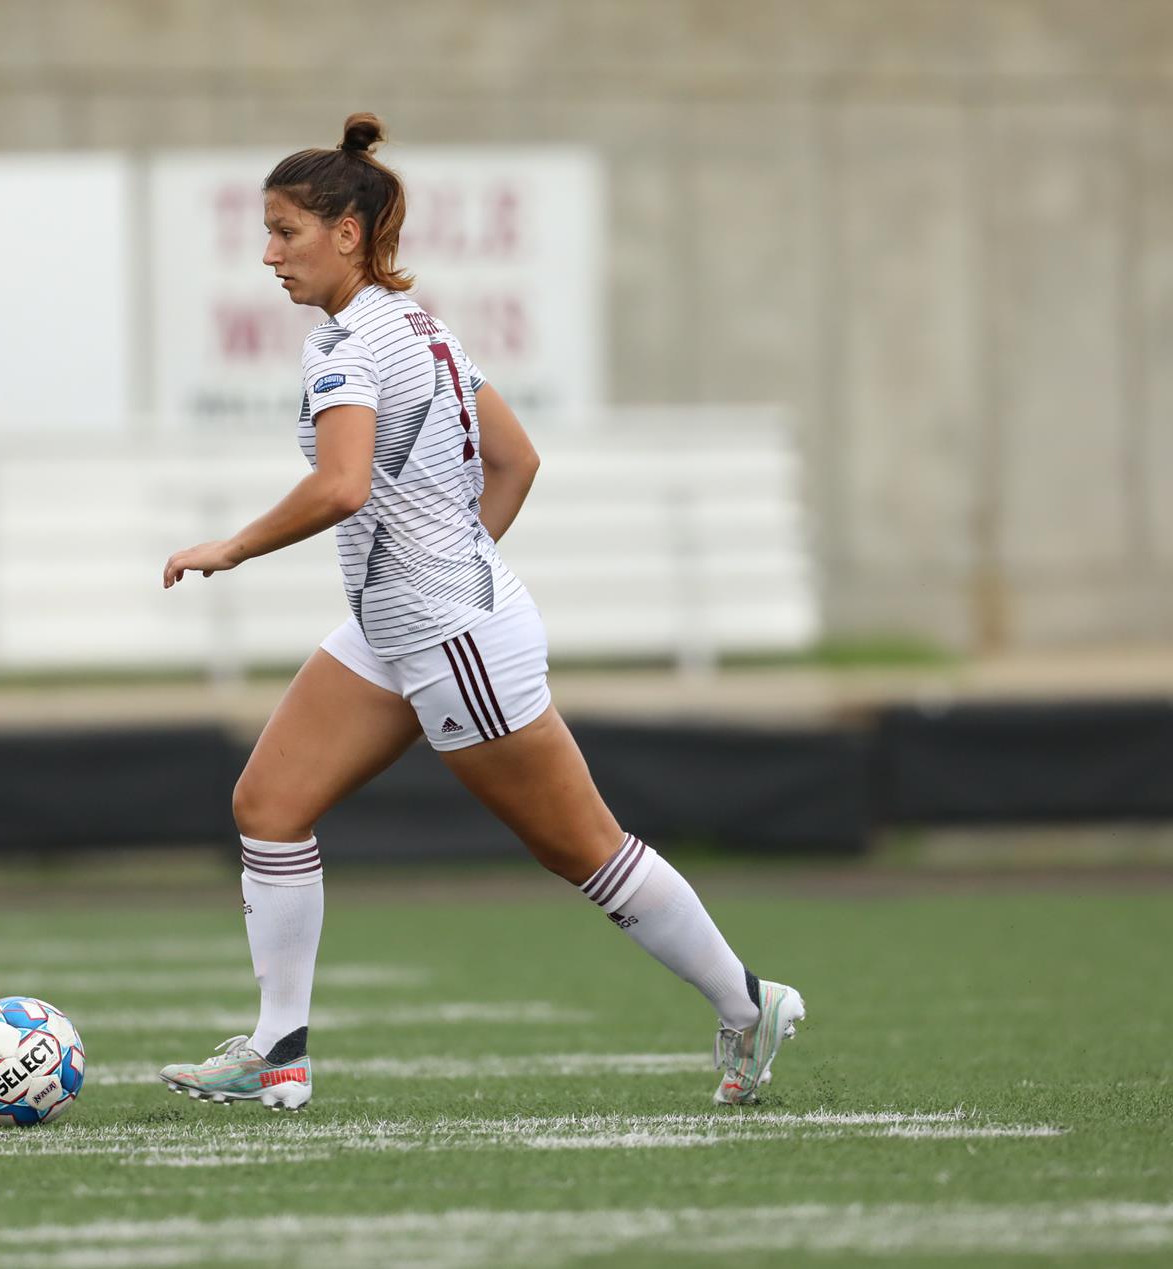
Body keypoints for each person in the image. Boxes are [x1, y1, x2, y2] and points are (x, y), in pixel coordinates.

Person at [155, 113, 803, 1110]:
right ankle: (277, 1054)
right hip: (406, 624)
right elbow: (516, 461)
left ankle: (748, 1003)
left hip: (449, 635)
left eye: (284, 231)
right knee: (267, 807)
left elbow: (340, 487)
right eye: (266, 231)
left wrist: (230, 547)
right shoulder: (419, 324)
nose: (267, 253)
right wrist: (447, 570)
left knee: (580, 848)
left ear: (346, 232)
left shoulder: (347, 348)